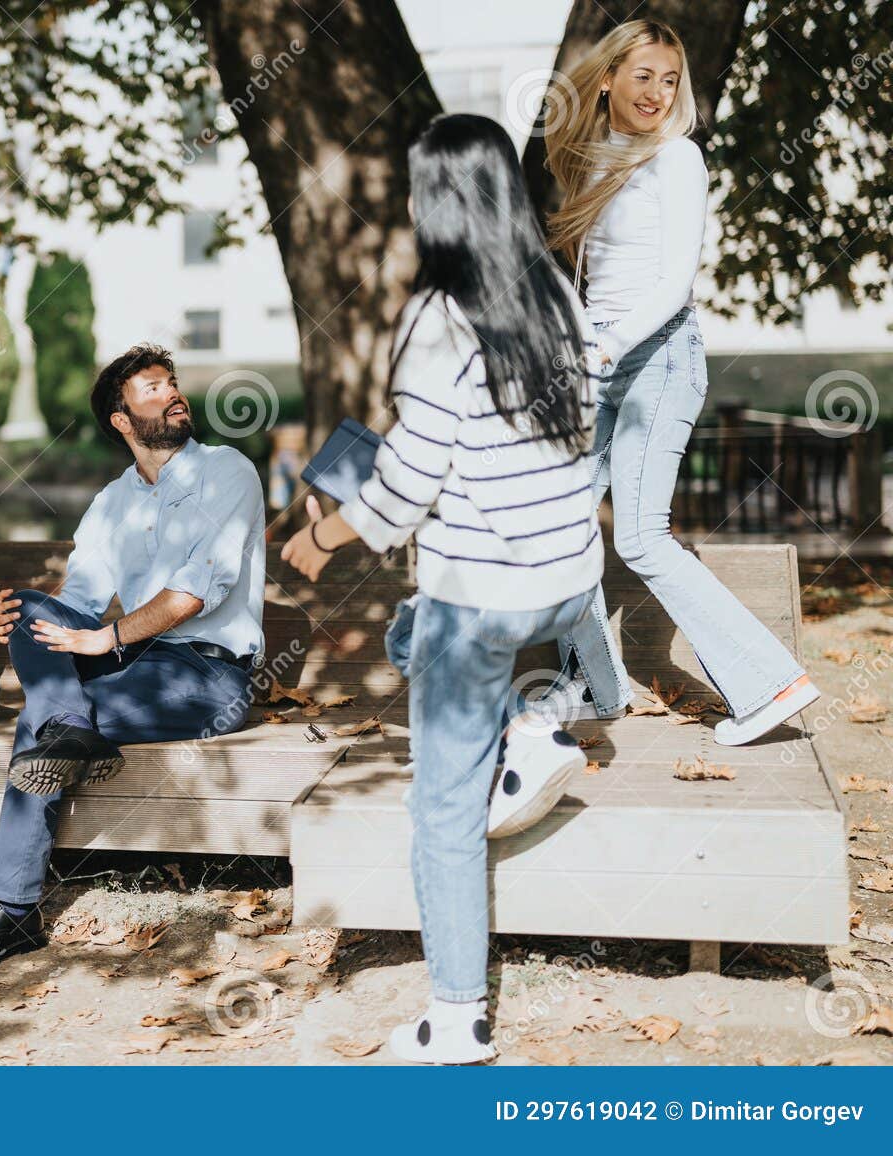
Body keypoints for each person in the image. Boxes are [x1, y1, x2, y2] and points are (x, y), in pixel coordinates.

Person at [282, 114, 603, 1064]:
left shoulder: (436, 317)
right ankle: (533, 731)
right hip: (567, 578)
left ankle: (456, 1019)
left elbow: (408, 485)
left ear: (435, 203)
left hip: (486, 592)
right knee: (410, 631)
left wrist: (324, 533)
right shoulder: (556, 292)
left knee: (443, 812)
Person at [0, 343, 265, 971]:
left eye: (171, 382)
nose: (171, 393)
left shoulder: (228, 471)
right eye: (151, 388)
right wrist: (13, 617)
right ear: (121, 419)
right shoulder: (114, 500)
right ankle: (69, 723)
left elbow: (197, 591)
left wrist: (108, 639)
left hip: (208, 675)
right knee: (29, 607)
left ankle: (12, 909)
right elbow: (78, 599)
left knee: (40, 723)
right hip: (132, 664)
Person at [534, 19, 816, 744]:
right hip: (601, 358)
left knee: (640, 536)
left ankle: (770, 682)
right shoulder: (594, 162)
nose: (658, 92)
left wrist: (605, 348)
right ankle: (593, 686)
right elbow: (596, 283)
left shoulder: (677, 158)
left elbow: (673, 282)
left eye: (669, 80)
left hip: (657, 358)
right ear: (607, 79)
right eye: (643, 76)